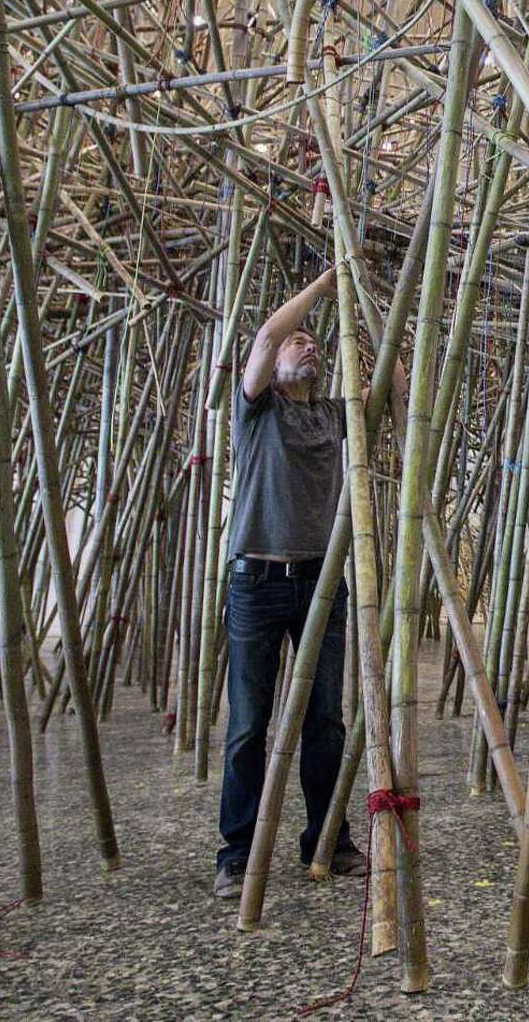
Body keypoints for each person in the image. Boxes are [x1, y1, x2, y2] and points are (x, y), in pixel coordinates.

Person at [213, 268, 363, 900]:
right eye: (295, 343)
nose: (305, 345)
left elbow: (401, 394)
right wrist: (330, 283)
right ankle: (237, 852)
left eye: (314, 342)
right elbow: (264, 335)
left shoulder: (336, 414)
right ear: (272, 367)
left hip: (322, 582)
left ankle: (327, 840)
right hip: (256, 579)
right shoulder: (256, 411)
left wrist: (361, 318)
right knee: (249, 723)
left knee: (325, 720)